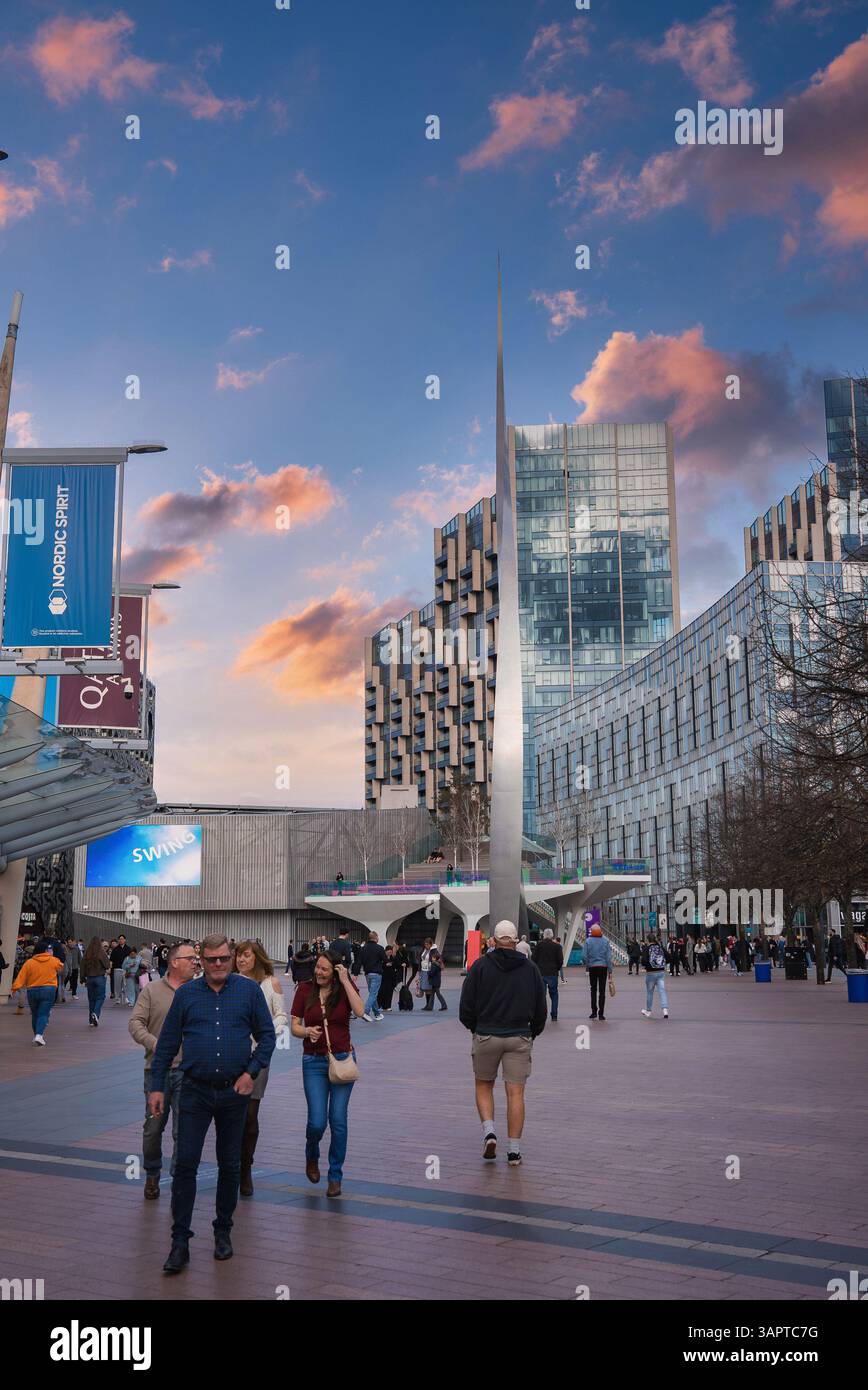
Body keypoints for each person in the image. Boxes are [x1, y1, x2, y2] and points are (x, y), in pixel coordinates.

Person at [148, 933, 276, 1275]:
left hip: (234, 1092)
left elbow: (266, 1036)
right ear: (200, 961)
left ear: (231, 958)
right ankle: (180, 1241)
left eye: (223, 959)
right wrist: (157, 1086)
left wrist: (251, 1071)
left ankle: (223, 1232)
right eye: (210, 960)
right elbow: (167, 1044)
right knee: (185, 1164)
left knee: (230, 1165)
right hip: (194, 1091)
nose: (217, 965)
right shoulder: (188, 994)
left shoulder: (248, 992)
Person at [458, 920, 547, 1167]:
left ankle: (489, 1132)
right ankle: (515, 1151)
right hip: (519, 1036)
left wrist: (475, 1028)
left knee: (483, 1085)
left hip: (487, 1034)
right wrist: (533, 1032)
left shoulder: (480, 967)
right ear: (517, 940)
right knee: (516, 1093)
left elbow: (466, 1005)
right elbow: (541, 1006)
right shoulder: (530, 968)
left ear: (494, 941)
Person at [290, 948, 365, 1197]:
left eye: (324, 968)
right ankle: (312, 1154)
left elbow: (360, 1011)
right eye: (317, 967)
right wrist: (306, 1032)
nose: (318, 972)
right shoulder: (304, 989)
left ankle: (335, 1176)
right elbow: (294, 1026)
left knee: (338, 1120)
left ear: (335, 970)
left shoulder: (344, 987)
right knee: (317, 1121)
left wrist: (345, 980)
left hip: (342, 1059)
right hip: (313, 1062)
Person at [130, 941, 198, 1199]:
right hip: (156, 1071)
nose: (195, 962)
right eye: (190, 958)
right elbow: (136, 1023)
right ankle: (152, 1173)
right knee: (153, 1128)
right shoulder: (152, 991)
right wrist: (153, 1043)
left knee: (184, 1129)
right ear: (174, 962)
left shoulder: (200, 990)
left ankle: (179, 1178)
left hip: (188, 1071)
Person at [235, 939, 289, 1196]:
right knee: (231, 1113)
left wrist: (269, 1032)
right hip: (231, 1054)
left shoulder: (270, 983)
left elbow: (281, 1015)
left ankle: (246, 1167)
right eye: (238, 956)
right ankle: (233, 1163)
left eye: (246, 956)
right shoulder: (233, 982)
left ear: (257, 957)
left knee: (250, 1115)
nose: (241, 960)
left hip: (257, 1055)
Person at [9, 940, 64, 1043]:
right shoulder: (53, 960)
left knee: (35, 1014)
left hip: (32, 990)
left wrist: (14, 989)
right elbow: (61, 967)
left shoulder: (29, 962)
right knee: (43, 1013)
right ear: (46, 950)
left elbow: (21, 977)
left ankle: (36, 1035)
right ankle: (39, 1035)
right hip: (48, 989)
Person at [533, 927, 564, 1022]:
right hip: (552, 973)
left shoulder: (539, 945)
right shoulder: (557, 946)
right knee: (554, 994)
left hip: (541, 973)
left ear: (544, 935)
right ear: (552, 936)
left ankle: (543, 1013)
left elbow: (534, 958)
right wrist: (557, 968)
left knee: (542, 995)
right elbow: (560, 960)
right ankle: (554, 1014)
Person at [584, 925, 613, 1021]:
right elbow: (608, 957)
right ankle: (601, 1013)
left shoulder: (588, 941)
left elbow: (584, 956)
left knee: (593, 989)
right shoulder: (605, 941)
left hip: (593, 967)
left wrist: (588, 964)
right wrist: (610, 970)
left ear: (592, 932)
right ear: (600, 932)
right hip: (603, 967)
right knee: (602, 991)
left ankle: (593, 1012)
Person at [81, 936, 111, 1025]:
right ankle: (96, 1013)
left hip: (89, 978)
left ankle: (91, 1020)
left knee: (91, 999)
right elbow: (107, 965)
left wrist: (82, 978)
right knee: (100, 997)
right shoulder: (101, 953)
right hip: (99, 977)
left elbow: (82, 966)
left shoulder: (87, 954)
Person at [640, 933, 669, 1019]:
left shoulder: (646, 948)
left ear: (648, 940)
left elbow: (643, 961)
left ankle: (648, 1011)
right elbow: (669, 957)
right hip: (661, 972)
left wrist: (647, 967)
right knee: (662, 991)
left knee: (650, 992)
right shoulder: (660, 947)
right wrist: (662, 964)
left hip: (651, 973)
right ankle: (665, 1010)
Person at [359, 931, 386, 1022]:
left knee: (372, 993)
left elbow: (361, 961)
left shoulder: (363, 948)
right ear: (375, 937)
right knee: (373, 994)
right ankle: (365, 1011)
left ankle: (377, 1013)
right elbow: (385, 960)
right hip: (376, 973)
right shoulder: (379, 948)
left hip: (367, 973)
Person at [421, 939, 447, 1010]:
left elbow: (432, 972)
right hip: (435, 980)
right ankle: (430, 1006)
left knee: (437, 994)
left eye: (427, 944)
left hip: (435, 981)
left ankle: (443, 1005)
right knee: (433, 993)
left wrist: (429, 973)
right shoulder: (435, 964)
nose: (426, 946)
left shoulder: (434, 964)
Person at [378, 945, 401, 1012]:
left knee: (389, 992)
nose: (390, 953)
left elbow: (396, 964)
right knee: (382, 991)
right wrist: (385, 965)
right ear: (386, 951)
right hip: (383, 976)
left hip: (391, 977)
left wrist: (393, 963)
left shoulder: (392, 957)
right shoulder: (382, 957)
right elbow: (379, 965)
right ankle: (380, 1005)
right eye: (389, 952)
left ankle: (388, 1006)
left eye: (391, 952)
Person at [110, 935, 132, 1003]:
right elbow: (111, 960)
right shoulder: (115, 949)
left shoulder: (129, 949)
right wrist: (110, 969)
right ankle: (118, 998)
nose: (121, 940)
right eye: (119, 939)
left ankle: (126, 997)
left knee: (126, 984)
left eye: (122, 939)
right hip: (117, 969)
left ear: (125, 940)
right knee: (117, 984)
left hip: (126, 969)